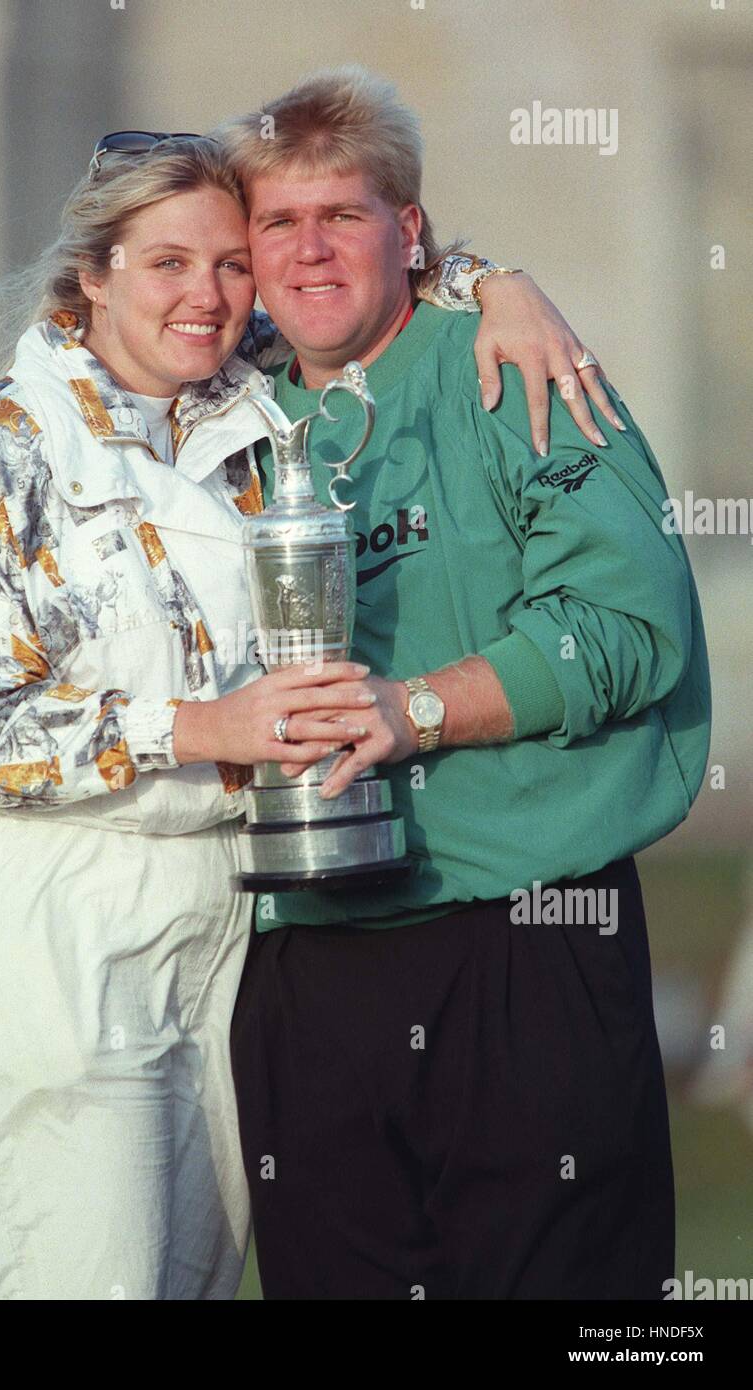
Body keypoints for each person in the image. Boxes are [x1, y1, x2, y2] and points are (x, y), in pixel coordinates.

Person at [0, 126, 606, 1300]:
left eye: (227, 264)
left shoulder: (234, 401)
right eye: (166, 263)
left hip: (219, 922)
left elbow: (352, 281)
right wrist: (200, 729)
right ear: (93, 273)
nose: (206, 295)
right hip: (49, 920)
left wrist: (495, 284)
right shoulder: (0, 449)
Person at [218, 66, 712, 1300]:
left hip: (519, 934)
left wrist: (415, 708)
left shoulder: (515, 368)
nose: (310, 250)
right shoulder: (216, 418)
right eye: (279, 221)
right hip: (300, 955)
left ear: (409, 230)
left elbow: (627, 625)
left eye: (342, 215)